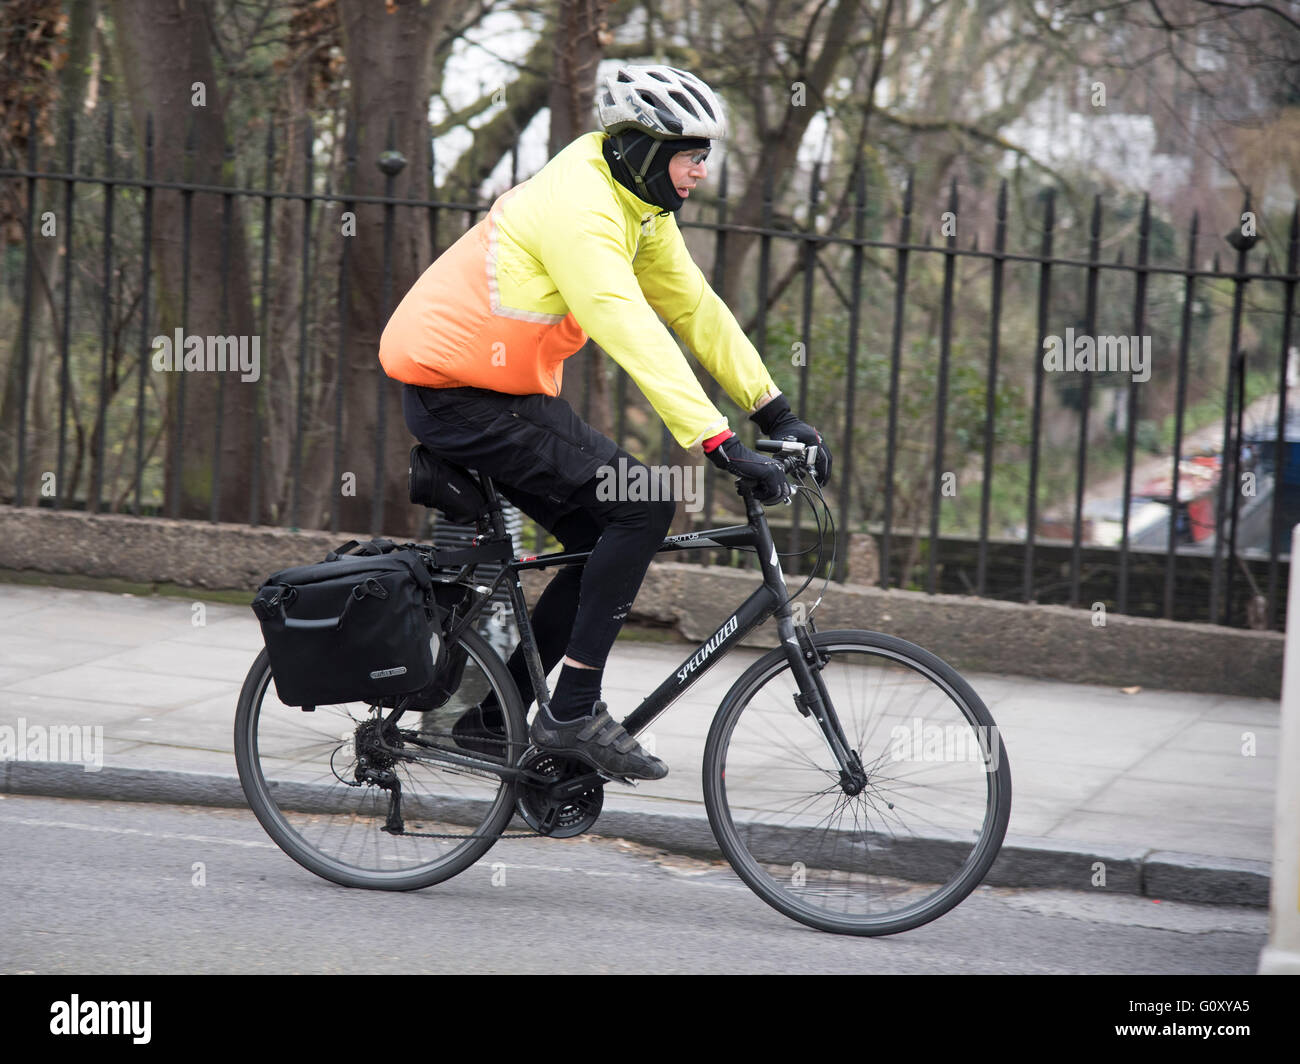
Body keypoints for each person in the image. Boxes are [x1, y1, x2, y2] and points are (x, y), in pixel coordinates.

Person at [379, 65, 832, 781]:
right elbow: (625, 324)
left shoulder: (636, 205)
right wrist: (717, 441)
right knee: (645, 502)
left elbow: (693, 308)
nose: (700, 174)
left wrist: (777, 410)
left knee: (602, 535)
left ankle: (494, 721)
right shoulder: (581, 206)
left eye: (704, 158)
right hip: (457, 395)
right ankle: (574, 710)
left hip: (502, 393)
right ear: (647, 149)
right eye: (691, 156)